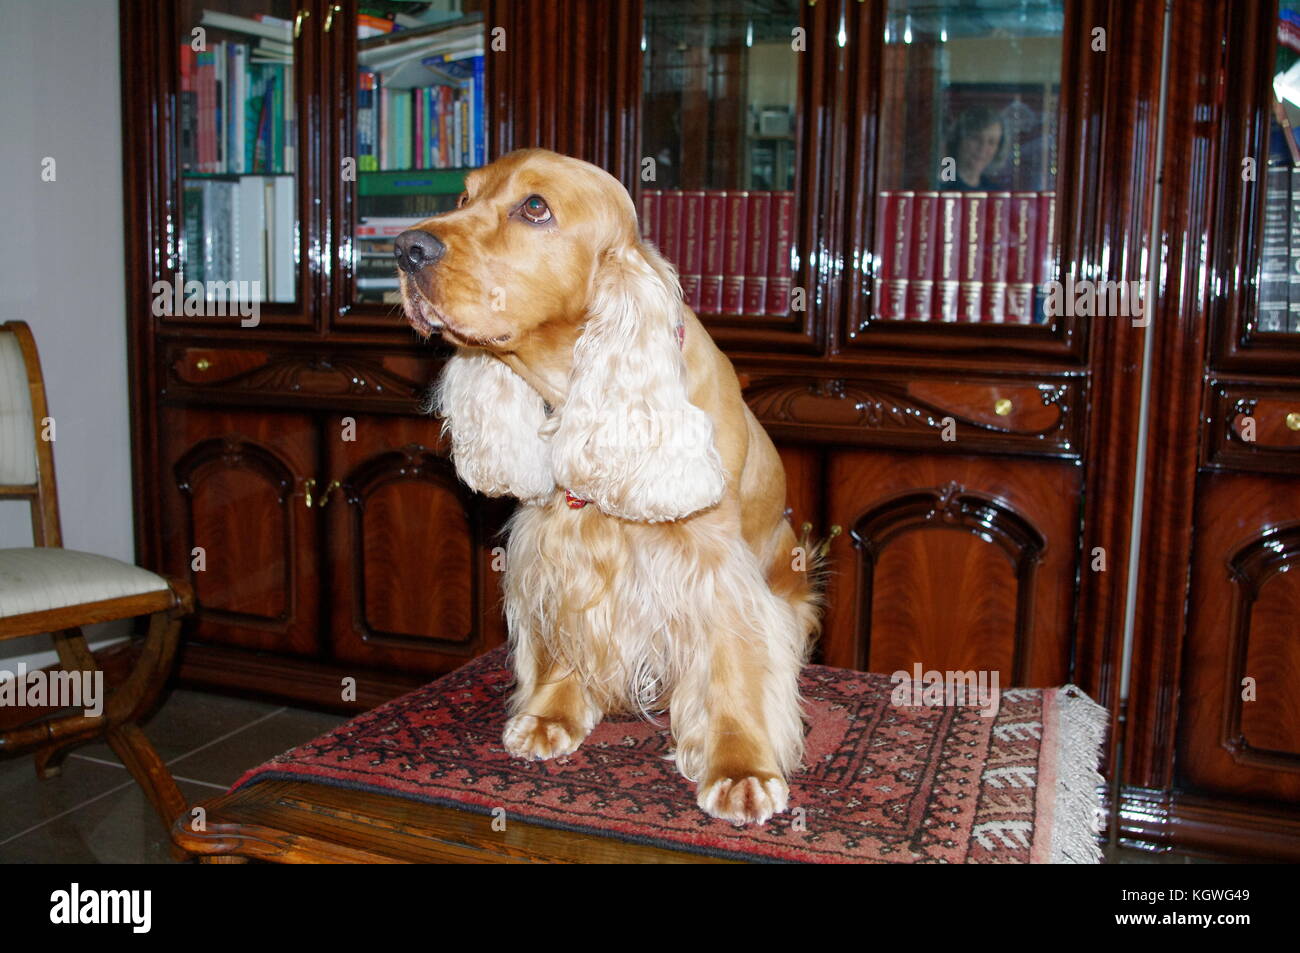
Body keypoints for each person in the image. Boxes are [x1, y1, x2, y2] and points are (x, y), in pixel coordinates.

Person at [942, 106, 1008, 190]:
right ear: (958, 139)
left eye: (992, 142)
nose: (983, 148)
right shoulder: (942, 185)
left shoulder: (995, 192)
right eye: (976, 138)